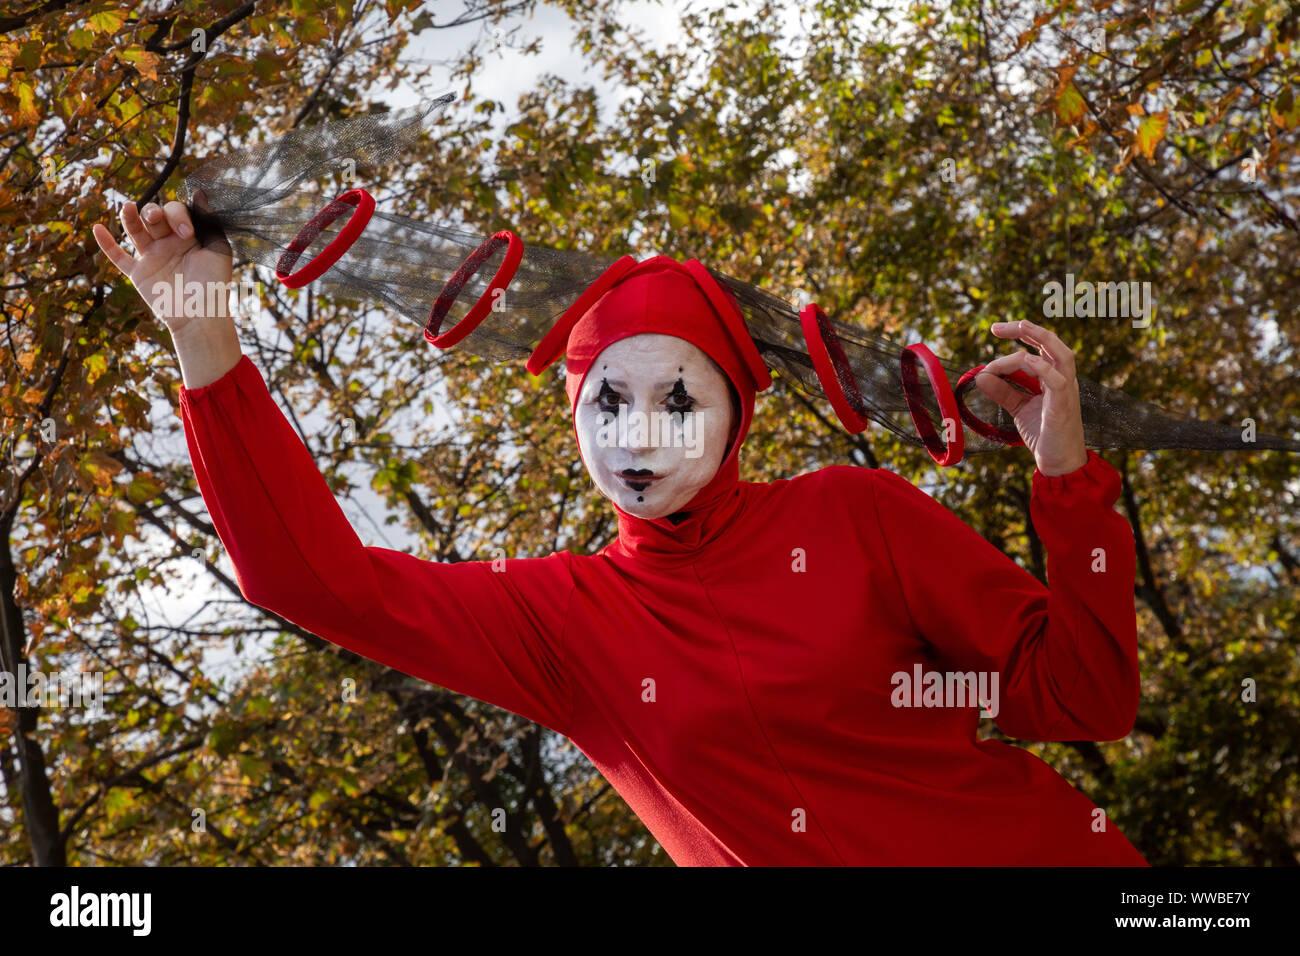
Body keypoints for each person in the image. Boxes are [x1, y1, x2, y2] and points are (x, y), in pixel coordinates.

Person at [92, 199, 1148, 866]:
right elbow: (308, 579)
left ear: (737, 410)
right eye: (609, 401)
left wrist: (1066, 478)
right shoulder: (564, 619)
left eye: (676, 400)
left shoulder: (852, 512)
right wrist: (201, 331)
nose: (640, 433)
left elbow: (1087, 696)